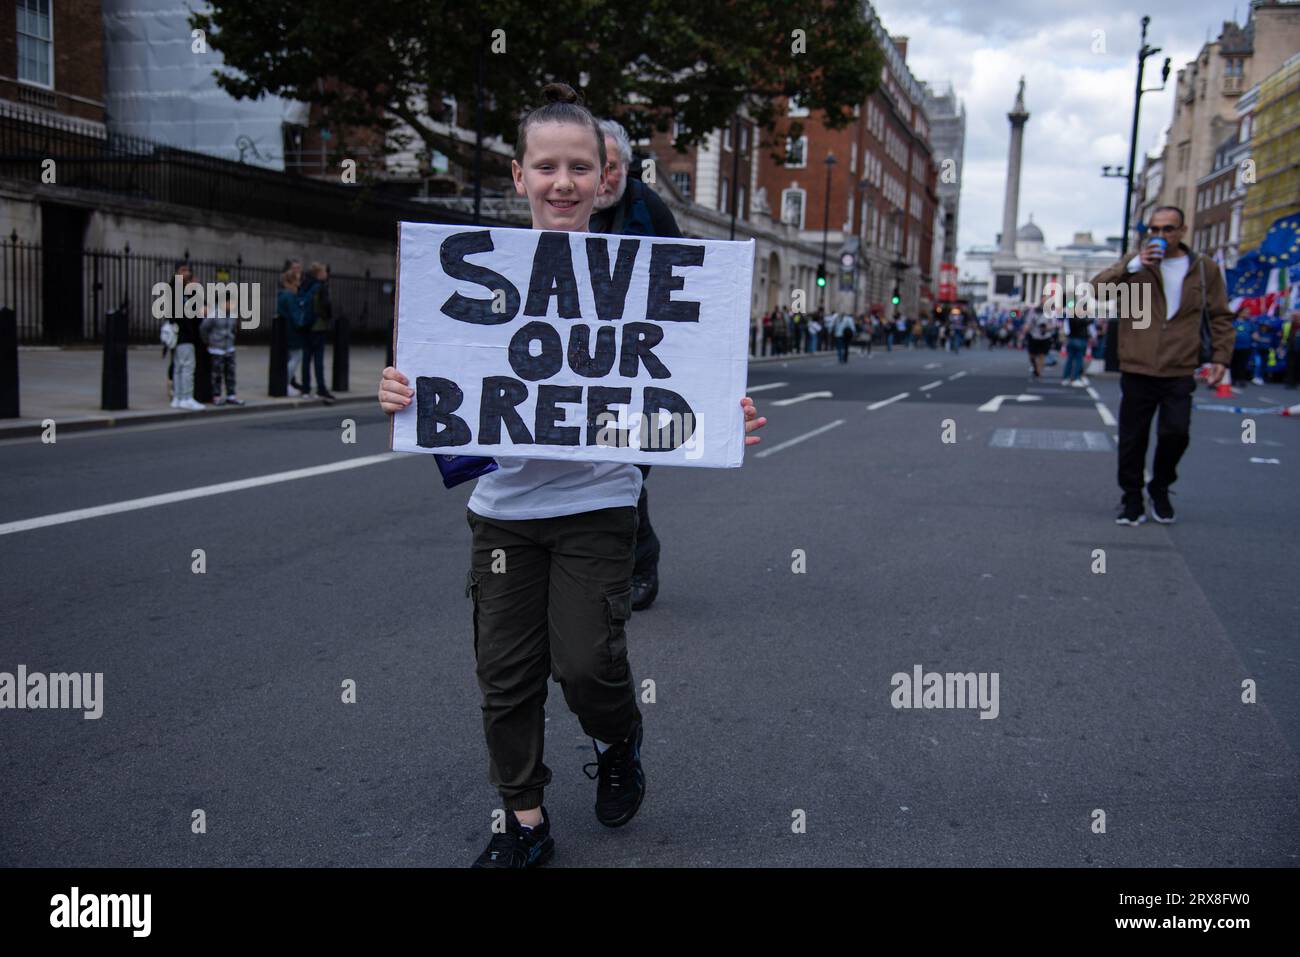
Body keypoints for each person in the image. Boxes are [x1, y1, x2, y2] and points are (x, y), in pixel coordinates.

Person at [378, 83, 766, 868]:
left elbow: (686, 376)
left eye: (580, 167)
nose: (564, 182)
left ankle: (618, 737)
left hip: (597, 500)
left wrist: (726, 414)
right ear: (518, 176)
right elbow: (438, 374)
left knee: (587, 664)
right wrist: (399, 391)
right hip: (502, 508)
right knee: (506, 674)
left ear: (605, 177)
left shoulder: (643, 272)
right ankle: (524, 821)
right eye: (547, 166)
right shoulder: (474, 276)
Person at [590, 116, 683, 612]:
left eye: (611, 167)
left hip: (640, 365)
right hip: (583, 365)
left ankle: (641, 561)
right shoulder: (566, 203)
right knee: (594, 468)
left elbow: (686, 287)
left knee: (625, 467)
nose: (602, 178)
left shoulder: (649, 210)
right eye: (593, 167)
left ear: (626, 166)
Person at [1089, 205, 1233, 526]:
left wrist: (1221, 358)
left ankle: (1160, 487)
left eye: (1168, 229)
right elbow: (1097, 291)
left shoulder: (1204, 268)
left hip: (1180, 366)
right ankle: (1131, 498)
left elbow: (1221, 316)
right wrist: (1135, 264)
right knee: (1132, 439)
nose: (1160, 236)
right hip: (1138, 365)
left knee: (1176, 433)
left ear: (1182, 232)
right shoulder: (1135, 265)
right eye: (1153, 230)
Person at [299, 262, 336, 404]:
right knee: (318, 360)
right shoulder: (320, 287)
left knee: (306, 359)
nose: (327, 274)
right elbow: (324, 307)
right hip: (318, 327)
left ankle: (306, 389)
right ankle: (321, 388)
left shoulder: (305, 284)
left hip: (306, 326)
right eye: (325, 271)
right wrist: (327, 317)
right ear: (319, 273)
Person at [200, 286, 243, 405]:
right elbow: (204, 328)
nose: (233, 304)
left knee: (230, 373)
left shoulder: (233, 315)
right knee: (217, 375)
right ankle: (216, 396)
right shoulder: (214, 315)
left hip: (229, 348)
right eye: (230, 302)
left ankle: (231, 395)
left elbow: (234, 329)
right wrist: (208, 341)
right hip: (216, 349)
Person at [170, 263, 204, 410]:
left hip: (179, 334)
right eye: (183, 270)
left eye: (188, 270)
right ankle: (187, 398)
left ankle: (177, 398)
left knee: (178, 367)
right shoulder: (178, 291)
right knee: (187, 368)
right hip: (184, 334)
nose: (187, 273)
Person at [283, 258, 308, 395]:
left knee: (290, 358)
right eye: (296, 269)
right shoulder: (290, 295)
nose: (299, 273)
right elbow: (296, 315)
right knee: (295, 357)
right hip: (292, 330)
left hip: (287, 329)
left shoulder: (288, 294)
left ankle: (289, 382)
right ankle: (285, 384)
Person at [1060, 309, 1093, 387]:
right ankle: (1075, 378)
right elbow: (1087, 322)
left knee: (1070, 359)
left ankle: (1066, 378)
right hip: (1080, 339)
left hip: (1072, 338)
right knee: (1079, 360)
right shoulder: (1082, 318)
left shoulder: (1071, 317)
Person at [1025, 309, 1054, 379]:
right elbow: (1027, 324)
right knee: (1032, 356)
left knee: (1042, 355)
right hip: (1034, 336)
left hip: (1045, 337)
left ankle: (1038, 371)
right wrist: (1027, 328)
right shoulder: (1032, 312)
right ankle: (1035, 367)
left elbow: (1053, 324)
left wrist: (1047, 328)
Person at [1230, 308, 1254, 388]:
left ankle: (1241, 379)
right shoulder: (1234, 323)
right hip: (1234, 346)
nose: (1247, 314)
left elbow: (1254, 334)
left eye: (1248, 313)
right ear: (1240, 313)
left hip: (1245, 347)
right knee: (1234, 363)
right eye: (1245, 312)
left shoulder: (1249, 323)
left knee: (1243, 364)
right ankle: (1233, 379)